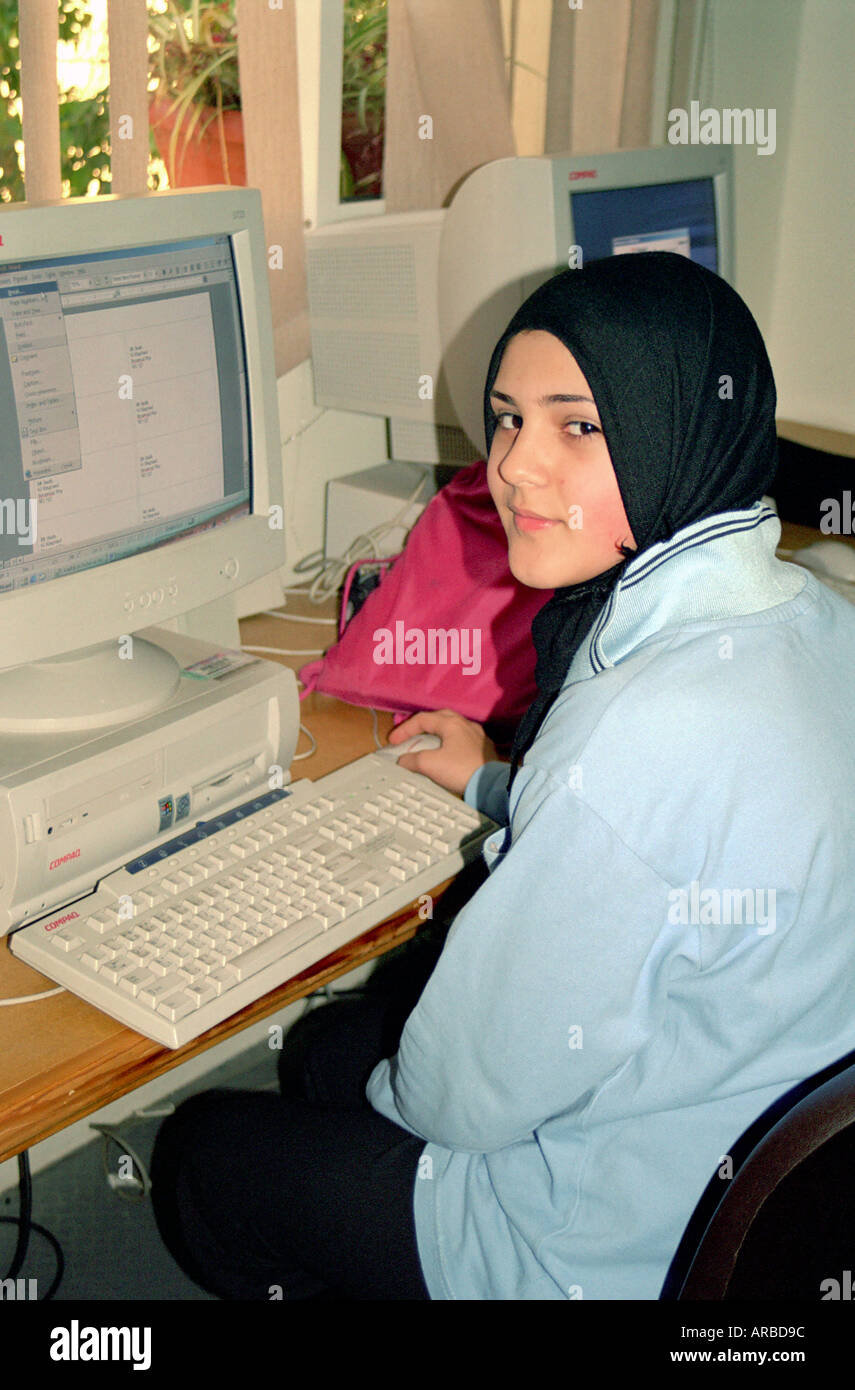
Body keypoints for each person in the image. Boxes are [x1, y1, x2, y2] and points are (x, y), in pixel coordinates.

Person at [151, 252, 855, 1300]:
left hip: (591, 1246)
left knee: (207, 1154)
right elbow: (668, 838)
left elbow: (464, 1099)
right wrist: (496, 785)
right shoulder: (819, 620)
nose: (516, 465)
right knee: (328, 1051)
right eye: (508, 419)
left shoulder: (636, 733)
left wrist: (391, 1101)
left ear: (677, 429)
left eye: (579, 426)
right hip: (754, 1179)